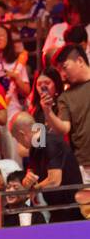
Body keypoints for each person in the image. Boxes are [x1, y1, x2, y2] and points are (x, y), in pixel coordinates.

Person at [43, 44, 90, 187]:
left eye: (64, 67)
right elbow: (63, 128)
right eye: (59, 71)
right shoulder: (64, 98)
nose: (63, 75)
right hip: (82, 164)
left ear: (80, 61)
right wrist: (47, 111)